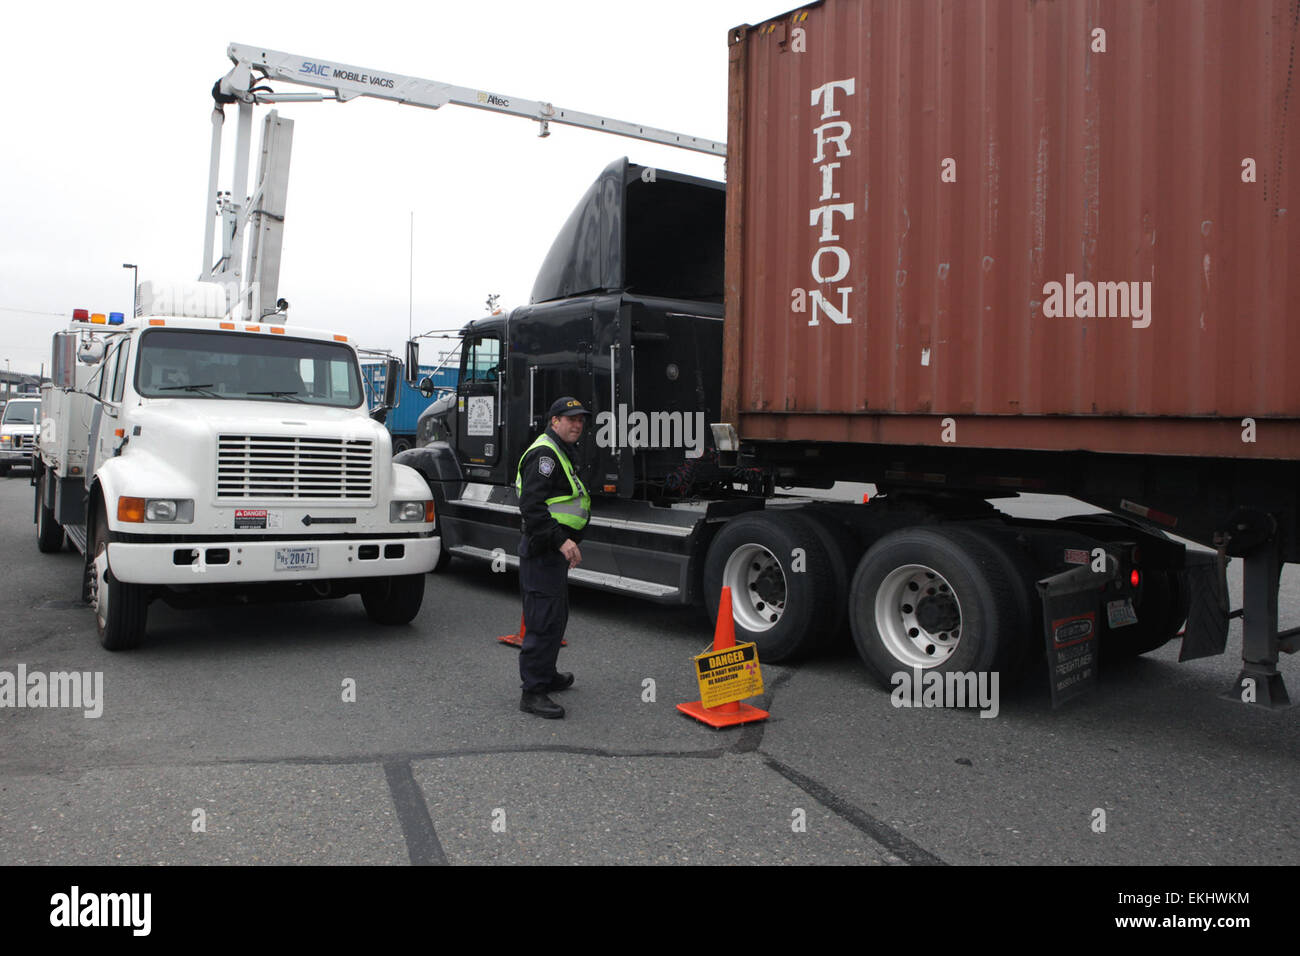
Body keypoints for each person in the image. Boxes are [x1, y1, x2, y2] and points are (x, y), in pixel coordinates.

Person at [514, 397, 592, 718]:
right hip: (543, 550)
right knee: (542, 620)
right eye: (570, 419)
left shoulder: (561, 451)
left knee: (556, 616)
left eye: (580, 420)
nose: (576, 425)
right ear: (554, 421)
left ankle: (547, 674)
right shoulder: (545, 455)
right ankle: (533, 692)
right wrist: (562, 540)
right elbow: (532, 507)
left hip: (553, 552)